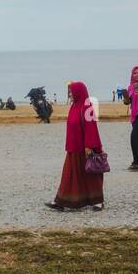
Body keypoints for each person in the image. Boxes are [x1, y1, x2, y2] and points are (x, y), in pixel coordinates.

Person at [45, 81, 105, 211]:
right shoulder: (74, 106)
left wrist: (89, 145)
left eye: (71, 92)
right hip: (73, 148)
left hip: (85, 149)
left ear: (79, 92)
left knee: (91, 174)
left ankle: (97, 201)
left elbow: (91, 128)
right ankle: (61, 201)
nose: (70, 94)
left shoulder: (87, 107)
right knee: (69, 174)